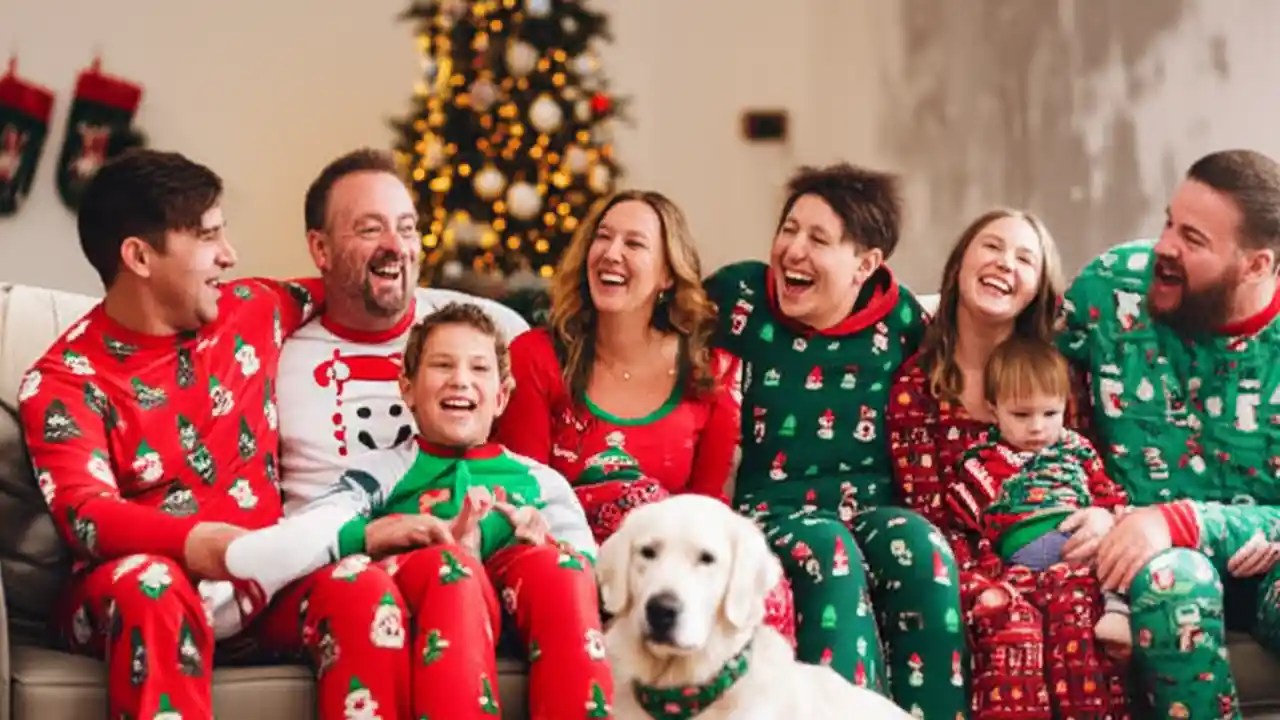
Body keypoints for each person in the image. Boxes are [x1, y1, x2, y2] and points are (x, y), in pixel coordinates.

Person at [14, 149, 413, 720]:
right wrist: (200, 546)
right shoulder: (63, 382)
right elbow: (86, 514)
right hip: (138, 594)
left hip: (266, 589)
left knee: (359, 586)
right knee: (152, 583)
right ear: (139, 256)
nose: (230, 256)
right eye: (208, 237)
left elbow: (361, 285)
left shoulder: (253, 309)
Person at [227, 303, 611, 718]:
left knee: (559, 570)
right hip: (421, 594)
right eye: (442, 365)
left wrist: (543, 540)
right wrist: (382, 533)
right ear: (407, 388)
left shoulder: (540, 482)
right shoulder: (382, 471)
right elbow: (320, 527)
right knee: (450, 570)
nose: (460, 380)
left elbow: (587, 565)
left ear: (501, 397)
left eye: (479, 369)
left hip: (511, 602)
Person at [704, 162, 967, 719]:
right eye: (788, 229)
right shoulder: (738, 297)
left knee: (923, 549)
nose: (792, 250)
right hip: (769, 509)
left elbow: (950, 401)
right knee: (830, 549)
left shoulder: (901, 322)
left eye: (818, 239)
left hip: (874, 508)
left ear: (865, 264)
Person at [492, 189, 795, 643]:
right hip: (564, 559)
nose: (611, 254)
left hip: (666, 572)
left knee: (769, 594)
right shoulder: (536, 357)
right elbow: (521, 490)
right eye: (603, 238)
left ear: (668, 275)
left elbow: (707, 510)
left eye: (634, 244)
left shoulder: (708, 375)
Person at [1063, 149, 1280, 719]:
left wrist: (1182, 521)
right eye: (1168, 222)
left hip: (1268, 562)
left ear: (1257, 265)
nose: (1164, 246)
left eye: (1193, 239)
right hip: (1142, 565)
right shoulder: (1110, 292)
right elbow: (1022, 401)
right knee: (1172, 581)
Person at [888, 208, 1129, 719]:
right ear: (959, 265)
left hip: (1072, 558)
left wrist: (1104, 521)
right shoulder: (916, 386)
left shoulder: (1057, 374)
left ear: (1037, 287)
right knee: (1009, 625)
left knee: (1080, 617)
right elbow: (931, 519)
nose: (1005, 263)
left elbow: (1089, 474)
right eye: (992, 247)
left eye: (1025, 258)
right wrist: (993, 579)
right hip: (977, 565)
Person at [952, 338, 1130, 643]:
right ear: (995, 412)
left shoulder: (1078, 449)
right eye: (1021, 415)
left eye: (1050, 414)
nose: (1037, 427)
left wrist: (1107, 516)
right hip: (1026, 542)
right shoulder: (983, 459)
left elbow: (1106, 493)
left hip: (1083, 532)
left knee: (1130, 545)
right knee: (1102, 559)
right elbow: (969, 521)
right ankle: (1115, 606)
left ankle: (1116, 612)